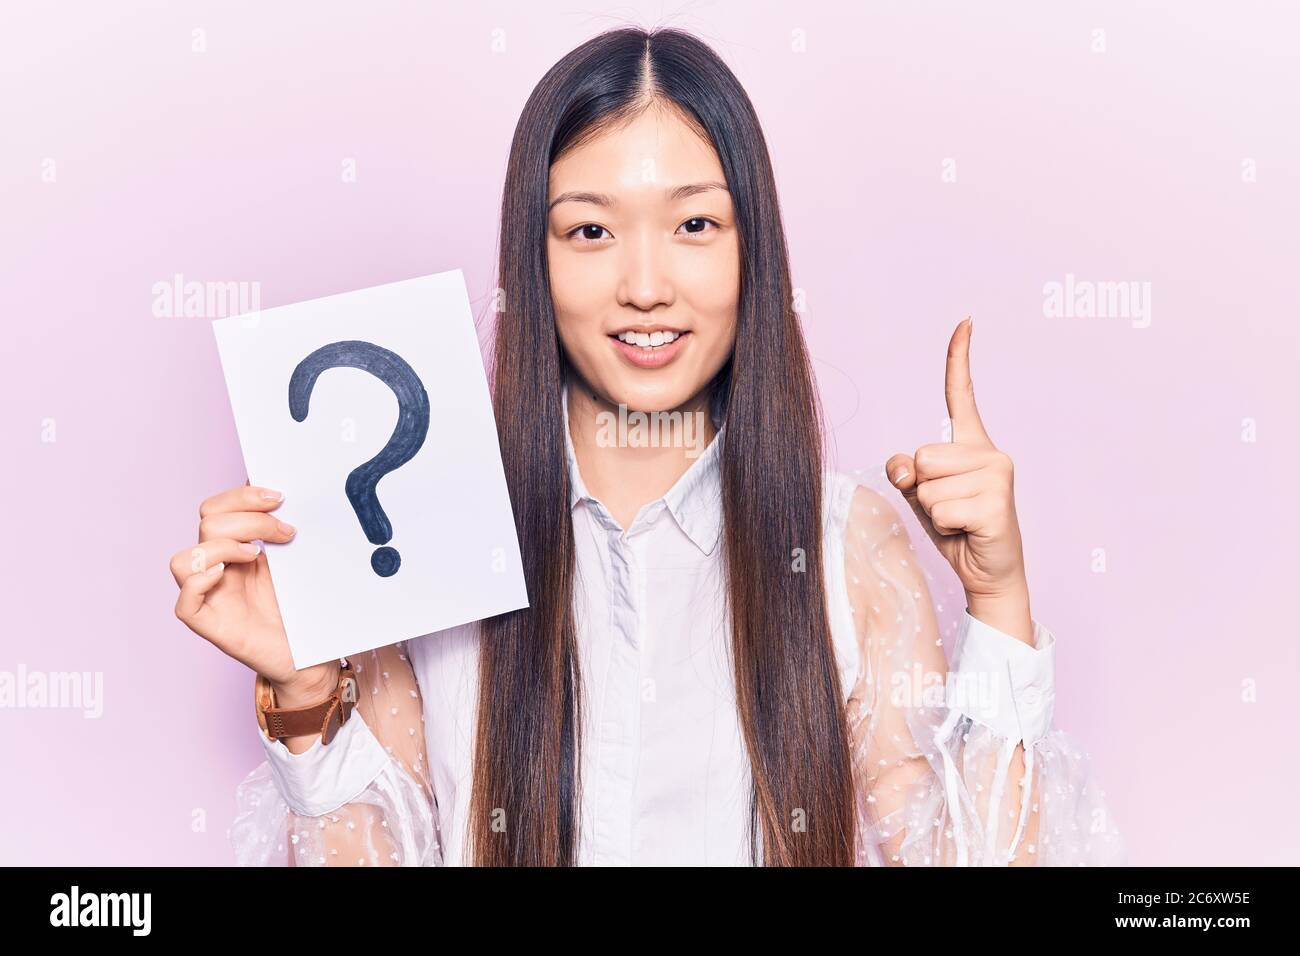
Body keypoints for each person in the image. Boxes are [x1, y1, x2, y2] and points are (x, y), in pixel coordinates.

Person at [170, 26, 1123, 866]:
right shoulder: (425, 530)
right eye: (589, 229)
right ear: (531, 260)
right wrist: (302, 700)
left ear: (755, 250)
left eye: (695, 224)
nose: (645, 284)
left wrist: (999, 606)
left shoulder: (844, 541)